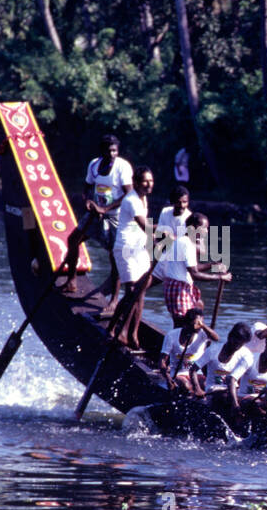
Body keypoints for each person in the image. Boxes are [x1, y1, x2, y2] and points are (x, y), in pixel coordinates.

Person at [60, 134, 134, 298]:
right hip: (95, 213)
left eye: (115, 151)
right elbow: (87, 187)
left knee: (115, 255)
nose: (112, 154)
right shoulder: (94, 164)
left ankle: (114, 299)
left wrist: (106, 209)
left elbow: (129, 195)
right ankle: (71, 281)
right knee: (73, 240)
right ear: (102, 151)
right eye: (109, 151)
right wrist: (87, 201)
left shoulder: (123, 167)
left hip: (116, 216)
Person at [106, 166, 156, 350]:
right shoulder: (132, 200)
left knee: (141, 289)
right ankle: (114, 329)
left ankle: (133, 333)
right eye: (145, 181)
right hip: (125, 249)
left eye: (151, 181)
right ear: (135, 182)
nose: (149, 184)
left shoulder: (143, 198)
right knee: (132, 291)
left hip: (139, 249)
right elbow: (145, 226)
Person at [154, 212, 231, 328]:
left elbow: (193, 268)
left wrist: (213, 265)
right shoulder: (186, 244)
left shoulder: (183, 241)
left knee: (196, 309)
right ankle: (175, 344)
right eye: (204, 228)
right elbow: (194, 274)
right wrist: (220, 277)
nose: (206, 232)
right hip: (178, 288)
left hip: (177, 286)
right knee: (184, 325)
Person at [159, 307, 218, 396]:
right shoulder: (172, 335)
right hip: (178, 374)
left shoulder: (202, 334)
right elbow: (162, 361)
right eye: (196, 323)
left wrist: (202, 325)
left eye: (200, 323)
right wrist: (168, 378)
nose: (198, 326)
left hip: (196, 373)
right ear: (187, 323)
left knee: (207, 386)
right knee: (187, 386)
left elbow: (216, 338)